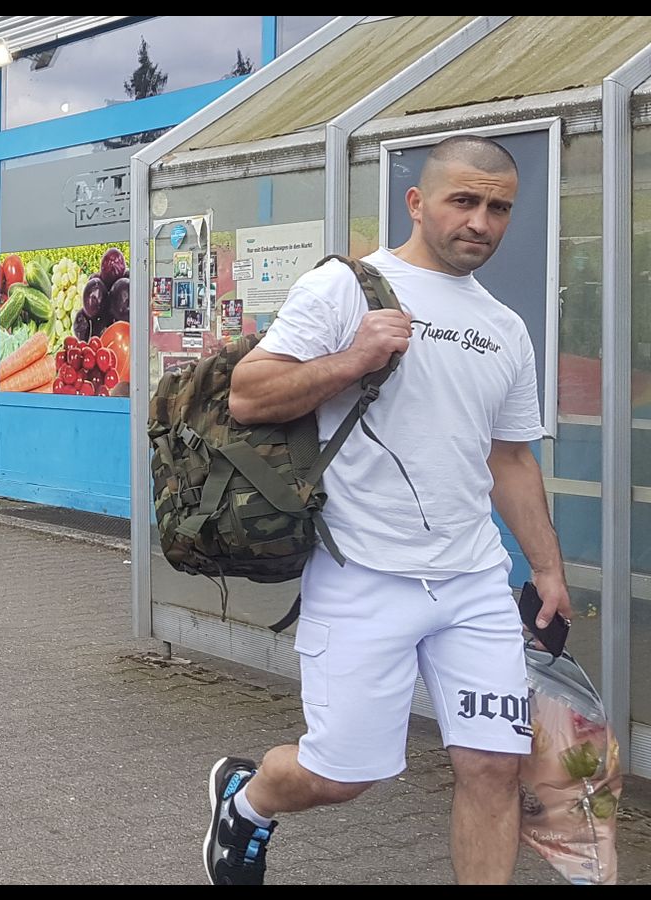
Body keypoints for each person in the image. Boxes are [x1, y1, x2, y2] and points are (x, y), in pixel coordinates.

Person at [206, 135, 572, 885]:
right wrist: (354, 359)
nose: (481, 222)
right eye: (463, 201)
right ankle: (248, 799)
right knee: (343, 775)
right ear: (417, 202)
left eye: (498, 207)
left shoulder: (505, 327)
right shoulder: (346, 288)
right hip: (363, 574)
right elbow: (248, 394)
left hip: (473, 582)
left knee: (494, 766)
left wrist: (547, 569)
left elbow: (510, 459)